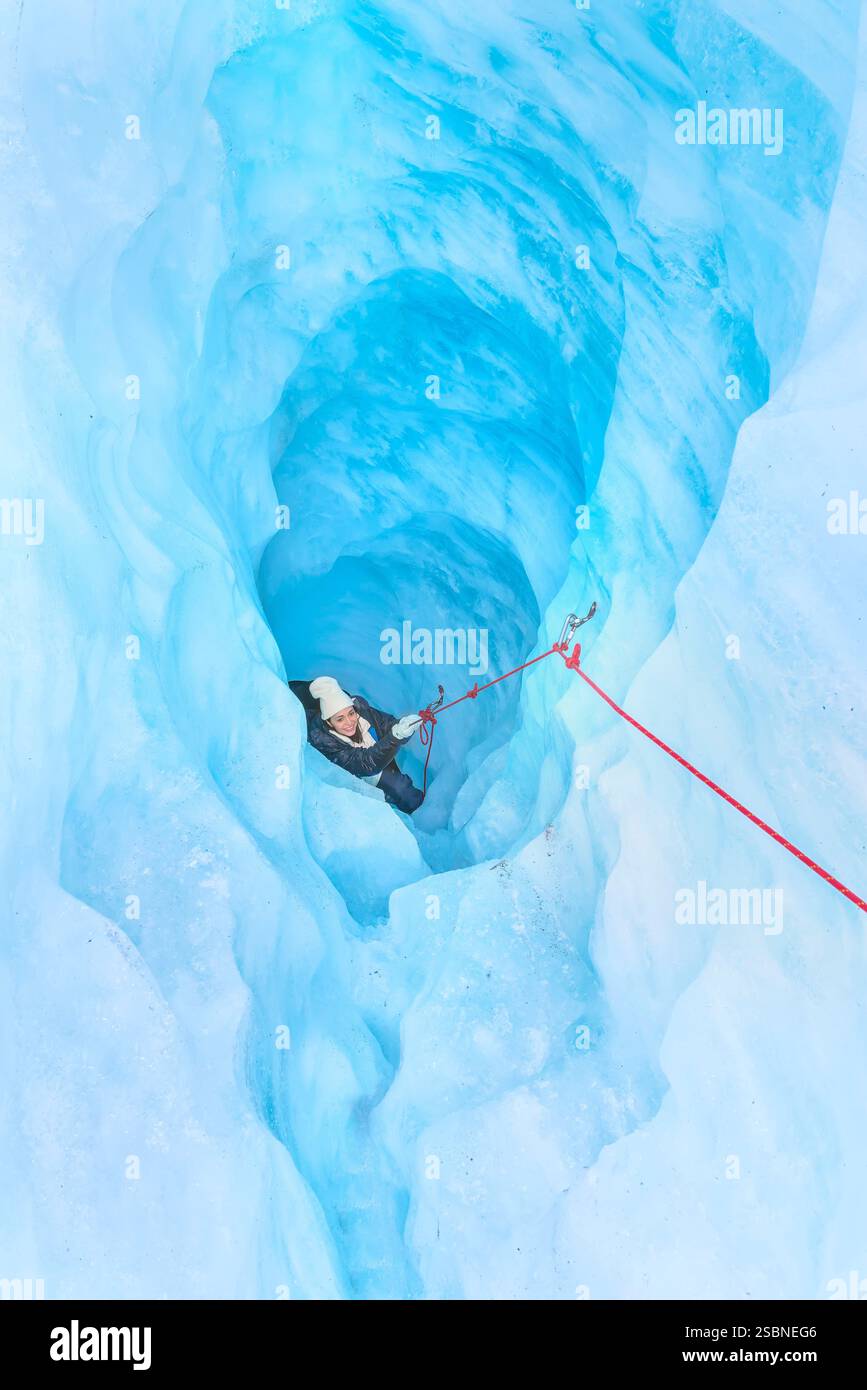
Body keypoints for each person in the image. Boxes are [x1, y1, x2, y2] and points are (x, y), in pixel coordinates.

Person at [289, 675, 424, 815]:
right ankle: (420, 813)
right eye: (340, 719)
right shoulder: (324, 741)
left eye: (350, 713)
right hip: (362, 773)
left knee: (396, 779)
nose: (349, 722)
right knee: (399, 787)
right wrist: (396, 736)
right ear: (328, 722)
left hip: (377, 753)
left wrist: (402, 726)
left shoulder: (362, 711)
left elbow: (386, 724)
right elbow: (365, 764)